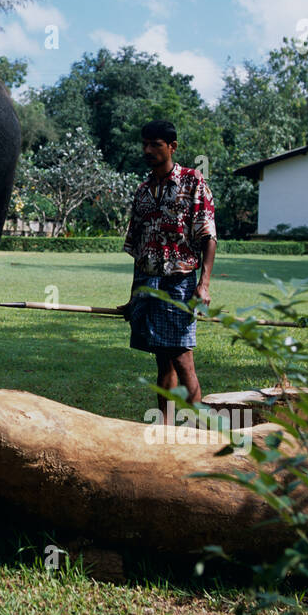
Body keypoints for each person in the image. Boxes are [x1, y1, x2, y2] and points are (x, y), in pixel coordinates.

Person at [120, 120, 217, 425]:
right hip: (149, 283)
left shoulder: (193, 182)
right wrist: (133, 298)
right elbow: (138, 249)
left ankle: (202, 430)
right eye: (145, 144)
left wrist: (203, 286)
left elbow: (208, 237)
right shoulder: (143, 190)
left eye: (155, 144)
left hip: (180, 283)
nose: (147, 150)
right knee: (164, 361)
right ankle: (166, 428)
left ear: (172, 147)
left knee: (182, 358)